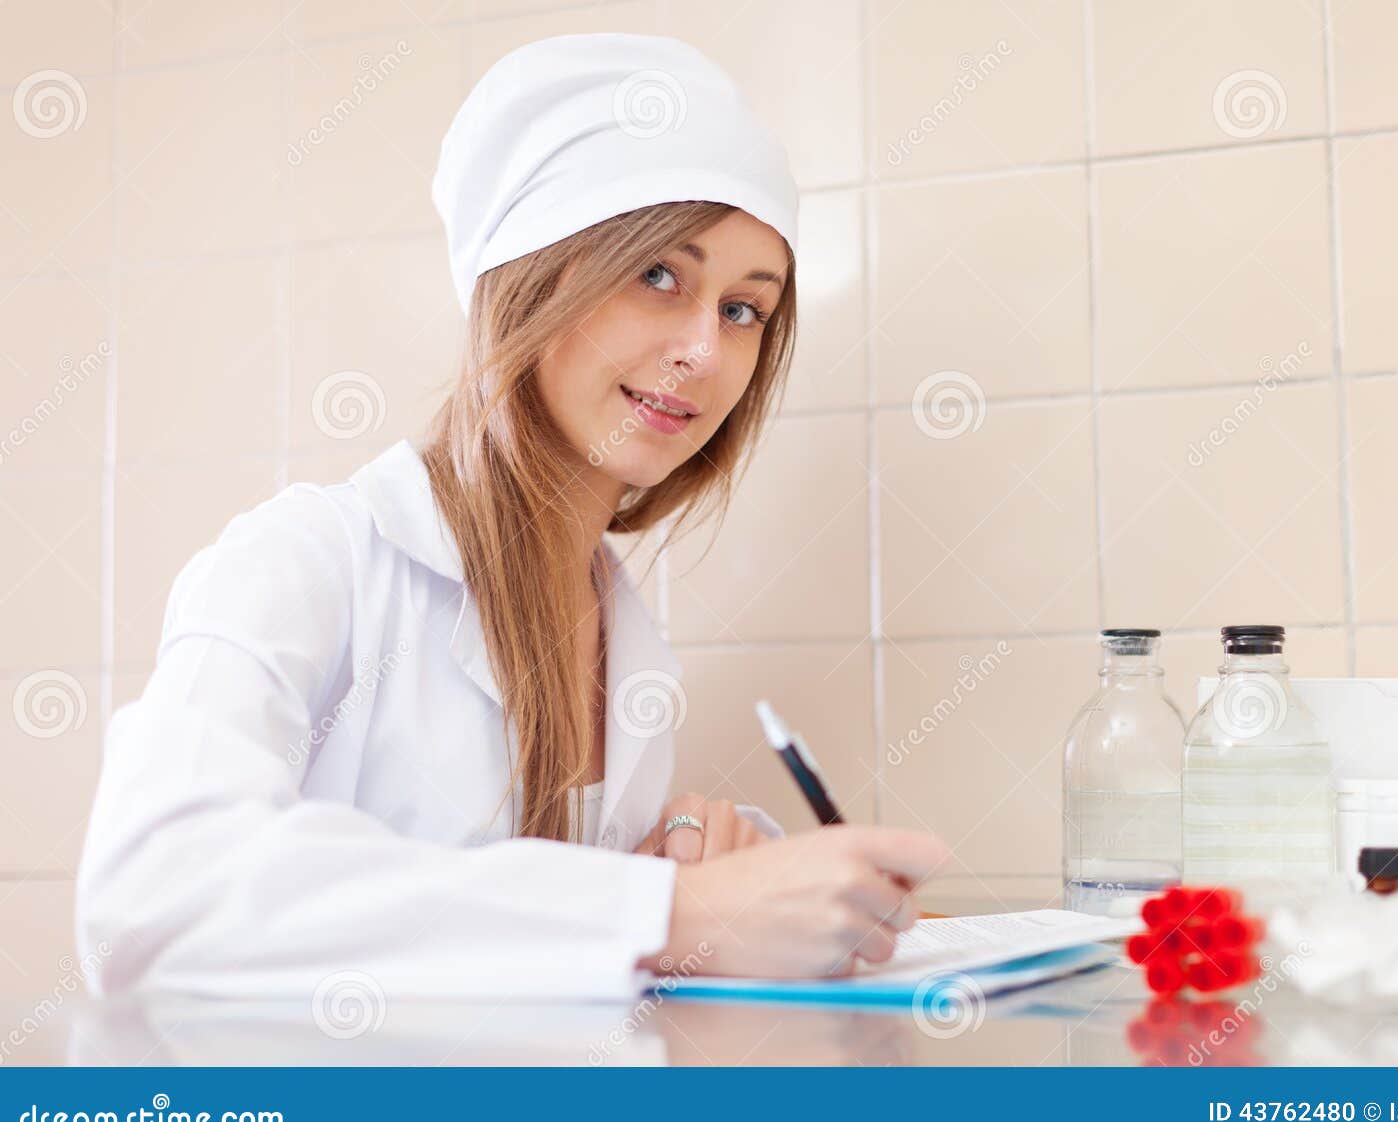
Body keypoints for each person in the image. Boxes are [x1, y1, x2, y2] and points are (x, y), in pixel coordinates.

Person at [75, 33, 947, 1001]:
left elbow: (522, 954)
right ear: (531, 280)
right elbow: (149, 895)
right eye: (658, 274)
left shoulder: (627, 641)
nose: (704, 348)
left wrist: (688, 886)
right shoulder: (312, 559)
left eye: (745, 308)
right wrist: (667, 913)